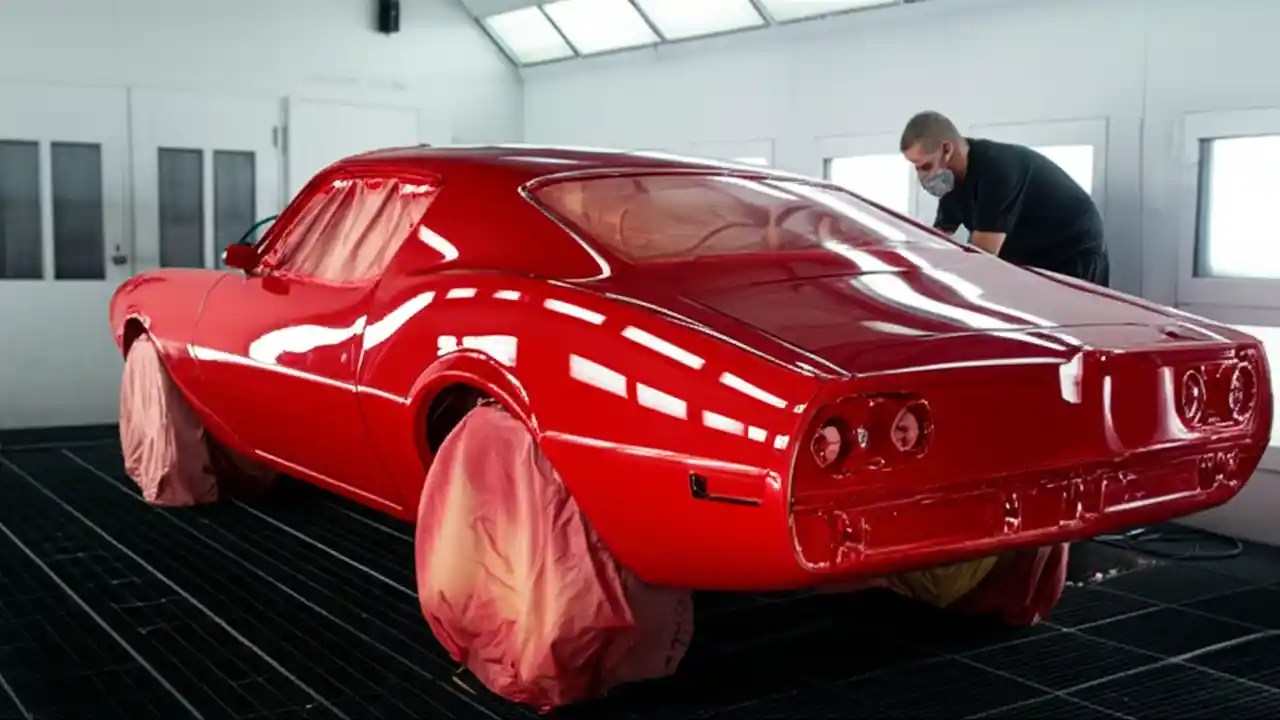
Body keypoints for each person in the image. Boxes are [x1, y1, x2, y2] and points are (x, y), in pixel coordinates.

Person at [900, 111, 1110, 287]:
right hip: (1027, 251)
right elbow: (938, 238)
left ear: (947, 149)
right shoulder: (953, 184)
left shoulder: (997, 169)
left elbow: (982, 256)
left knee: (1064, 323)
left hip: (1071, 250)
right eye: (916, 168)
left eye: (925, 166)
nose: (922, 176)